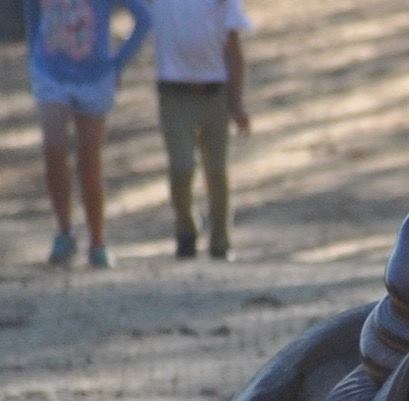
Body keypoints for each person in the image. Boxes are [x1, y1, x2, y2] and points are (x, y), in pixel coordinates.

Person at [25, 0, 152, 268]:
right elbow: (31, 15)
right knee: (53, 147)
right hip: (49, 74)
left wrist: (118, 64)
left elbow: (144, 18)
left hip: (94, 78)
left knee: (89, 160)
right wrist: (32, 59)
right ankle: (64, 232)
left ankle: (97, 240)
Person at [149, 0, 251, 260]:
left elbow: (233, 47)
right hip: (173, 92)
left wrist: (237, 103)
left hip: (215, 91)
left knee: (216, 168)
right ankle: (185, 229)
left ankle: (220, 240)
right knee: (182, 165)